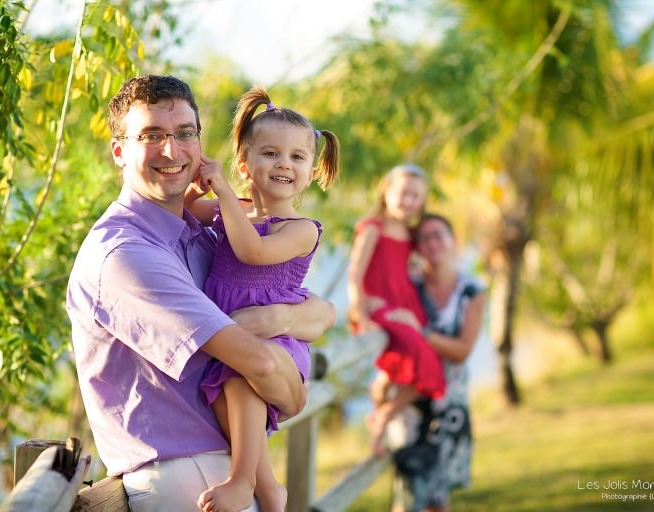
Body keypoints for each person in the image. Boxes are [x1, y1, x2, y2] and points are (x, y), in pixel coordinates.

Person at [65, 75, 335, 512]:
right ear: (119, 151)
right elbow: (261, 365)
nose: (171, 150)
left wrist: (283, 319)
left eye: (185, 133)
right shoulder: (126, 253)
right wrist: (295, 394)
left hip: (221, 469)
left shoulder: (200, 235)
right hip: (183, 475)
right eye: (152, 135)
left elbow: (318, 311)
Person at [184, 87, 340, 512]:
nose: (284, 164)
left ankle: (242, 480)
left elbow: (253, 251)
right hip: (230, 332)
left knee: (238, 380)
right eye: (270, 153)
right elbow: (181, 212)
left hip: (274, 341)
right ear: (244, 163)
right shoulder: (231, 210)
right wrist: (198, 187)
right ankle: (269, 490)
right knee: (222, 400)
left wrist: (224, 195)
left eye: (297, 157)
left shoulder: (302, 229)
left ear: (311, 172)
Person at [388, 213, 487, 512]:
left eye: (438, 235)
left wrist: (420, 332)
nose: (432, 243)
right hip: (410, 401)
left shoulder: (472, 290)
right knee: (407, 495)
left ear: (452, 240)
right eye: (424, 238)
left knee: (439, 498)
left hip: (449, 402)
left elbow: (462, 350)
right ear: (417, 247)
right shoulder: (409, 286)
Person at [347, 164, 446, 455]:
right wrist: (362, 314)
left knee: (417, 370)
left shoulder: (411, 233)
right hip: (381, 310)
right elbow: (355, 274)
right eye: (403, 193)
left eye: (416, 196)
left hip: (407, 308)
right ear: (386, 192)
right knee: (425, 365)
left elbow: (414, 267)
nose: (408, 201)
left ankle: (382, 418)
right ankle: (382, 420)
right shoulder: (373, 227)